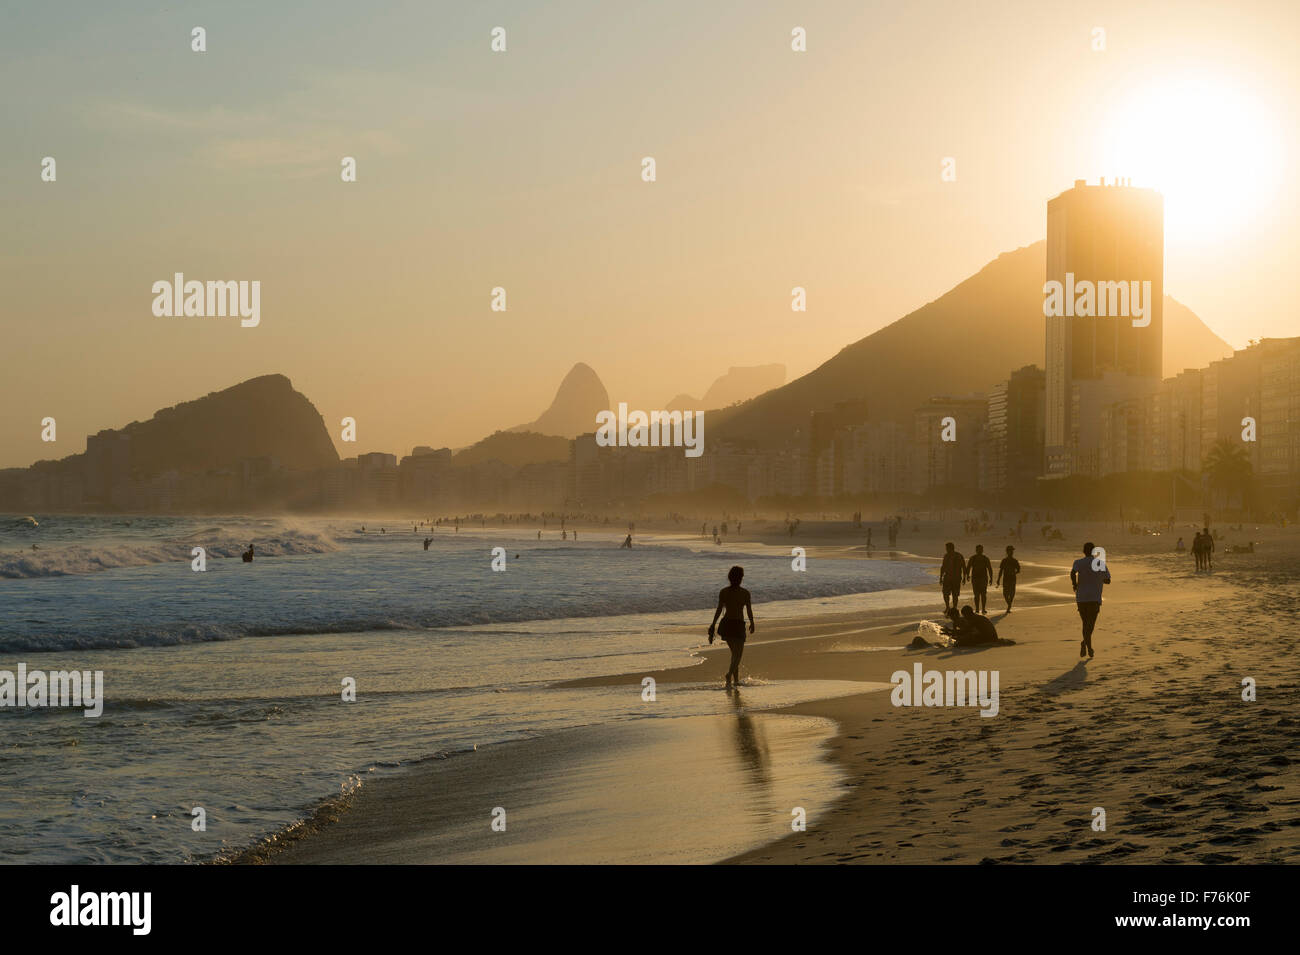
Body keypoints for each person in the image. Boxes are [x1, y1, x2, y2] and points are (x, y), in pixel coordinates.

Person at [708, 565, 754, 689]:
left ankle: (735, 681)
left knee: (734, 654)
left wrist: (713, 624)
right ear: (740, 578)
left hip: (726, 625)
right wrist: (752, 622)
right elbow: (749, 610)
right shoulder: (745, 593)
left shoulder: (724, 592)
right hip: (738, 625)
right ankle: (729, 675)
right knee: (738, 655)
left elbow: (719, 610)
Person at [1070, 541, 1111, 659]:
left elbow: (1072, 573)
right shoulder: (1100, 563)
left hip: (1081, 597)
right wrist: (1098, 579)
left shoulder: (1078, 562)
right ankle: (1087, 645)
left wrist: (1074, 584)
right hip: (1094, 597)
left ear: (1083, 551)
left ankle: (1085, 644)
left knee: (1085, 623)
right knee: (1091, 624)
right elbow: (1108, 580)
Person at [940, 542, 966, 612]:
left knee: (955, 594)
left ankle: (954, 607)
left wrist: (964, 577)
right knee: (946, 593)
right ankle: (948, 607)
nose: (946, 549)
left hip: (955, 578)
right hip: (949, 578)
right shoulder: (946, 556)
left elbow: (964, 567)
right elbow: (943, 567)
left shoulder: (959, 556)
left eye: (947, 548)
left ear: (951, 548)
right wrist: (941, 577)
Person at [967, 544, 993, 614]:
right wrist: (967, 576)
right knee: (976, 595)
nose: (979, 551)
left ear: (982, 550)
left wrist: (991, 578)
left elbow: (989, 569)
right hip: (975, 579)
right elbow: (968, 567)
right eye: (978, 549)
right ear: (976, 550)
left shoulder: (985, 558)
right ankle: (977, 609)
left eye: (980, 549)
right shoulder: (973, 558)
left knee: (983, 594)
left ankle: (983, 609)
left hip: (983, 579)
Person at [997, 545, 1021, 613]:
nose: (1011, 552)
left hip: (1012, 579)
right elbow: (1001, 571)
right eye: (1010, 551)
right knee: (1005, 594)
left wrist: (1014, 573)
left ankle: (1009, 606)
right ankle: (1009, 604)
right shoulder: (1004, 561)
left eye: (1012, 551)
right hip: (1006, 579)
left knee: (1012, 593)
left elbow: (1018, 570)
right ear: (1007, 552)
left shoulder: (1015, 561)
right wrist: (998, 579)